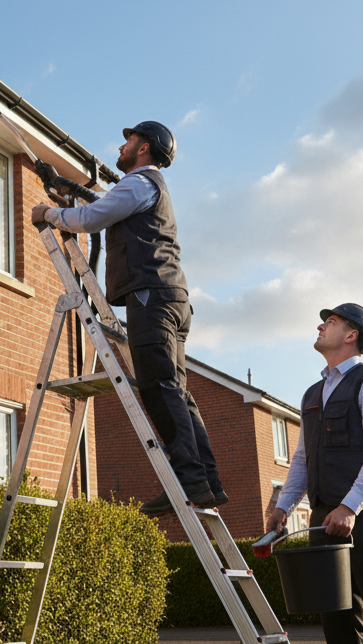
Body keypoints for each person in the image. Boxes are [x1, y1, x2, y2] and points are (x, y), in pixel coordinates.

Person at [31, 121, 225, 514]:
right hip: (169, 297)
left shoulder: (141, 184)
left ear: (144, 148)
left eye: (128, 141)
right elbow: (100, 202)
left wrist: (48, 211)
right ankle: (205, 481)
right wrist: (65, 186)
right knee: (176, 391)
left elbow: (90, 219)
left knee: (158, 388)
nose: (121, 146)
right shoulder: (141, 188)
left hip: (151, 297)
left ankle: (188, 480)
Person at [267, 304, 363, 644]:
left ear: (352, 335)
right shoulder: (312, 394)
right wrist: (283, 507)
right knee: (338, 625)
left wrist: (350, 507)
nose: (321, 326)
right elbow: (303, 458)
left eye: (331, 322)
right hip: (324, 519)